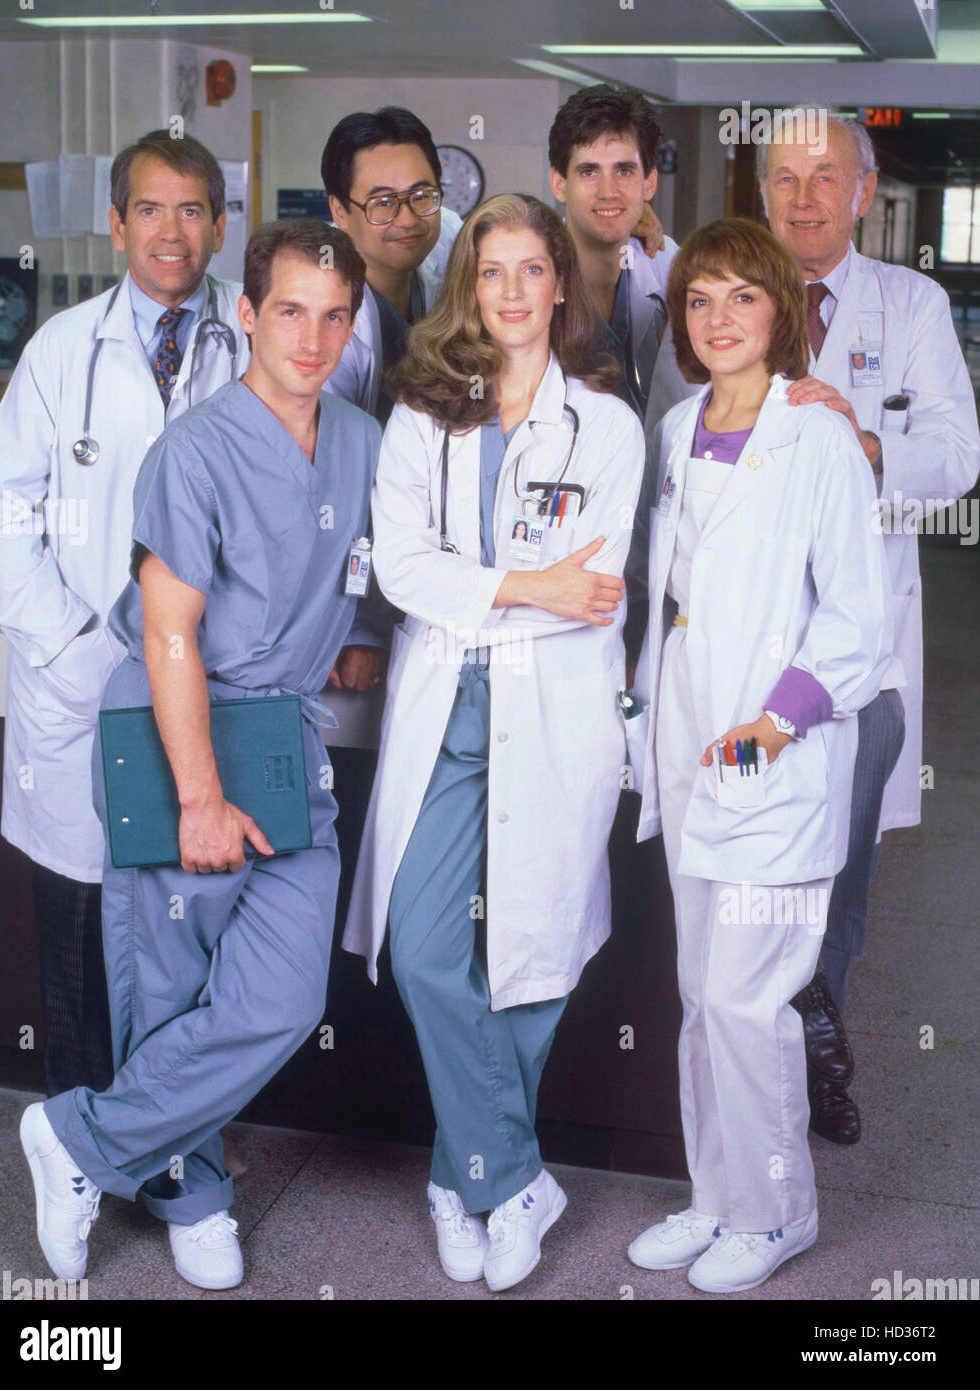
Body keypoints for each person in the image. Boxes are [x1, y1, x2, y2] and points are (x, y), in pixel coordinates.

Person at [19, 219, 384, 1292]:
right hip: (178, 729)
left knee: (278, 998)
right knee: (171, 989)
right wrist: (198, 796)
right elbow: (170, 630)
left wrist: (357, 633)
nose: (309, 339)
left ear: (351, 323)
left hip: (282, 736)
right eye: (287, 312)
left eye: (331, 315)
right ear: (247, 315)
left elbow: (357, 557)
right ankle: (193, 1196)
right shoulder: (197, 448)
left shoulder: (361, 439)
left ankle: (77, 1139)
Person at [343, 194, 645, 1291]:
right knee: (426, 949)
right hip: (442, 717)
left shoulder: (604, 426)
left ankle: (458, 1175)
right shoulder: (427, 414)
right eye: (491, 271)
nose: (511, 291)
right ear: (466, 287)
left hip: (552, 716)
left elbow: (596, 592)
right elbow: (400, 570)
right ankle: (514, 1173)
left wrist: (511, 593)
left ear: (559, 285)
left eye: (531, 270)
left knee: (532, 958)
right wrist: (527, 584)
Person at [625, 218, 890, 1292]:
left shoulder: (815, 434)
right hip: (689, 739)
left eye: (742, 295)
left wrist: (775, 722)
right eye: (698, 297)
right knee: (700, 992)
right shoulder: (679, 425)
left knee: (747, 998)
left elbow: (858, 619)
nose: (719, 316)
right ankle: (716, 1195)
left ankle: (777, 1208)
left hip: (770, 751)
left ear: (778, 309)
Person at [0, 130, 248, 1099]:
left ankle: (177, 1148)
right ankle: (81, 1148)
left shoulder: (250, 345)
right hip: (81, 686)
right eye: (148, 208)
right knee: (81, 940)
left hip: (212, 687)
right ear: (116, 220)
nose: (169, 231)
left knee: (195, 927)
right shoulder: (61, 349)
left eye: (189, 210)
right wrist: (71, 645)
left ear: (218, 223)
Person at [759, 114, 980, 1142]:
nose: (802, 197)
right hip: (746, 648)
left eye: (824, 177)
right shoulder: (727, 298)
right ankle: (746, 1061)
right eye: (783, 176)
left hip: (862, 662)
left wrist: (863, 447)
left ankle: (815, 1062)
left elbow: (955, 456)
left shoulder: (911, 304)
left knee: (838, 878)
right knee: (752, 872)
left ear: (862, 189)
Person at [548, 83, 688, 430]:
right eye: (589, 171)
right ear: (559, 184)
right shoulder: (533, 274)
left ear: (649, 183)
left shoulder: (667, 261)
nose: (608, 192)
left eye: (624, 171)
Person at [322, 106, 455, 424]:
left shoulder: (448, 236)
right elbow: (329, 448)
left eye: (422, 194)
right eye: (383, 203)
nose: (408, 219)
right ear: (340, 212)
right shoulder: (323, 312)